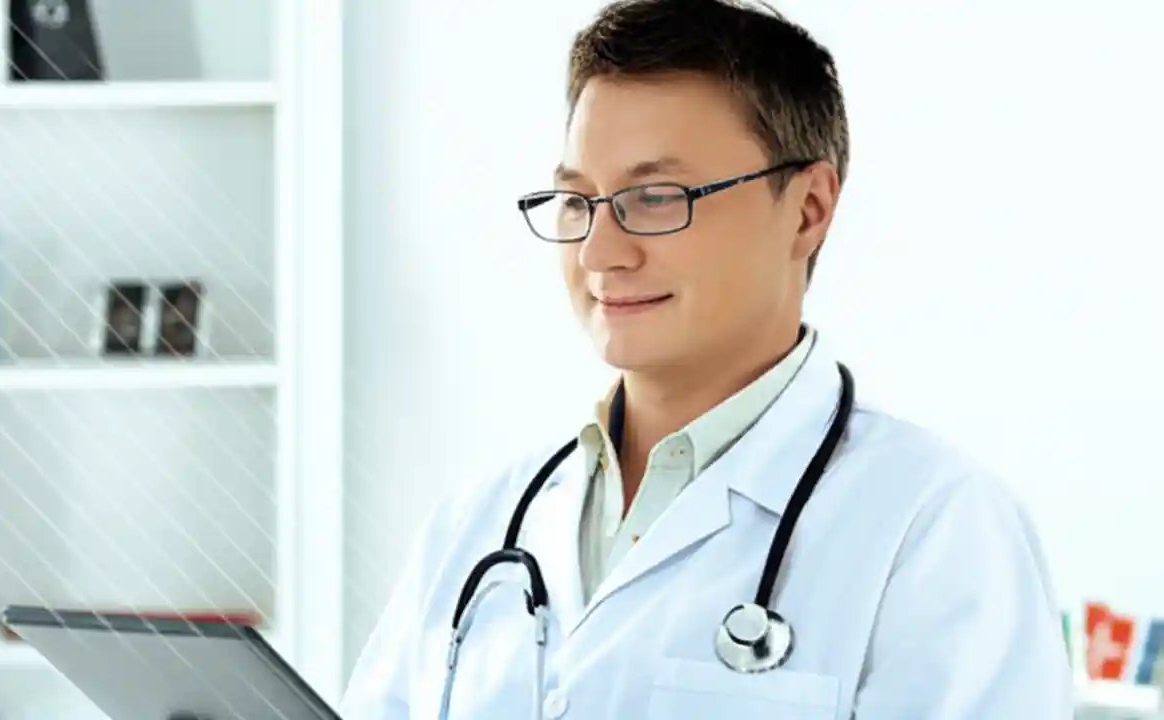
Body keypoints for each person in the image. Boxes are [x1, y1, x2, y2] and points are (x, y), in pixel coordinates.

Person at [340, 1, 1074, 718]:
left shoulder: (936, 531)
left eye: (656, 198)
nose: (599, 253)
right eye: (578, 201)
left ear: (808, 208)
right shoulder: (478, 526)